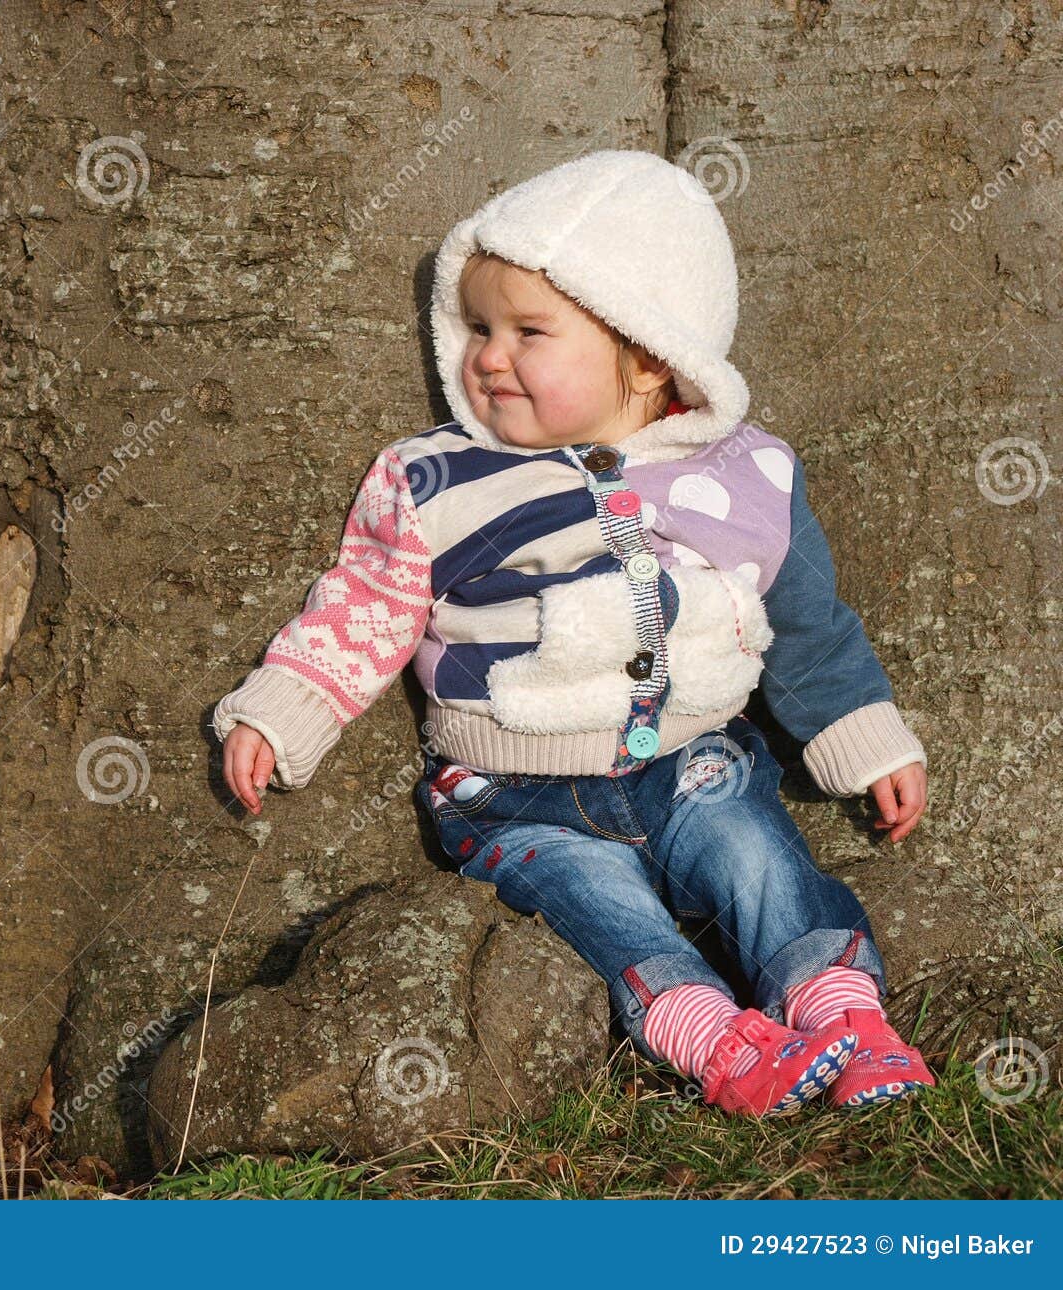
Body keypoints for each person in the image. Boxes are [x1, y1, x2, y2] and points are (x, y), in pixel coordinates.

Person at [211, 149, 935, 1117]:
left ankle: (844, 1013)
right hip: (514, 793)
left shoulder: (747, 475)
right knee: (605, 908)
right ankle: (711, 1037)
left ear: (646, 353)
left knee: (758, 860)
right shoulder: (434, 478)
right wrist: (283, 711)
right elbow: (365, 603)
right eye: (476, 326)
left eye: (528, 331)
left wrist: (864, 739)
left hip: (692, 761)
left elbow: (806, 622)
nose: (488, 356)